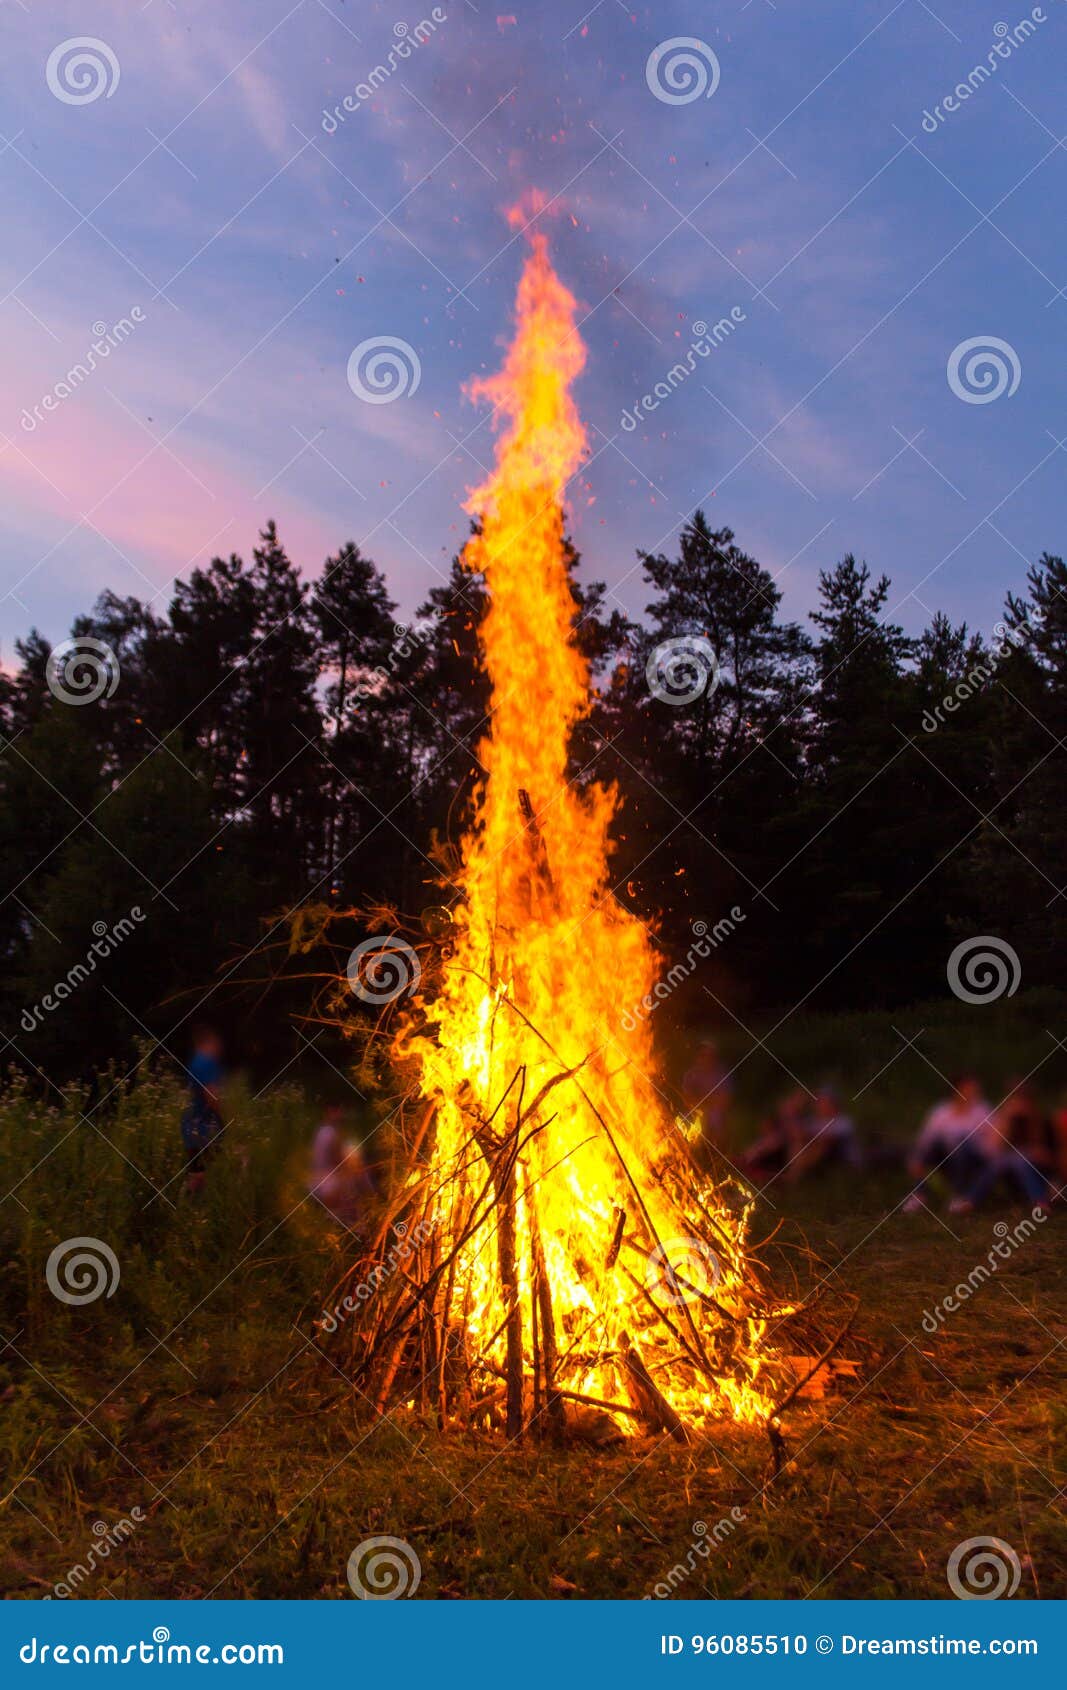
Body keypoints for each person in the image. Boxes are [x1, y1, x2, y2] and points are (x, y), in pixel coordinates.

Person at [904, 1075, 995, 1214]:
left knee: (963, 1141)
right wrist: (917, 1158)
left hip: (972, 1157)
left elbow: (992, 1142)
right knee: (934, 1143)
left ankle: (958, 1195)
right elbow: (926, 1138)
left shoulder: (982, 1111)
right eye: (968, 1089)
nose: (972, 1093)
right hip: (946, 1157)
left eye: (974, 1089)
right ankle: (919, 1195)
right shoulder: (941, 1111)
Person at [967, 1080, 1053, 1210]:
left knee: (1019, 1160)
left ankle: (1040, 1201)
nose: (1020, 1104)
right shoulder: (1004, 1117)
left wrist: (1030, 1120)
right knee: (1000, 1162)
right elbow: (992, 1149)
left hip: (1034, 1168)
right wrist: (1006, 1118)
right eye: (1016, 1098)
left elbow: (1041, 1151)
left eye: (1023, 1098)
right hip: (1009, 1166)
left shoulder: (1039, 1120)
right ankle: (970, 1201)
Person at [308, 1103, 376, 1230]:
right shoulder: (328, 1132)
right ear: (329, 1111)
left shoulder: (323, 1131)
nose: (340, 1114)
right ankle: (361, 1224)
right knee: (357, 1176)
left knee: (357, 1173)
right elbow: (336, 1158)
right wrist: (352, 1162)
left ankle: (363, 1219)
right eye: (337, 1110)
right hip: (326, 1180)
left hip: (322, 1178)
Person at [181, 1025, 225, 1196]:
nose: (218, 1047)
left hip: (192, 1126)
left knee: (198, 1173)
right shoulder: (206, 1062)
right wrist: (226, 1117)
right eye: (215, 1043)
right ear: (207, 1043)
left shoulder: (196, 1062)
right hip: (205, 1128)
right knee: (205, 1173)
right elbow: (211, 1095)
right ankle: (191, 1202)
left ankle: (188, 1204)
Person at [788, 1085, 861, 1180]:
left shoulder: (843, 1121)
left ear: (833, 1104)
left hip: (843, 1162)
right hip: (821, 1161)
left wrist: (803, 1135)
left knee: (822, 1144)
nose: (818, 1105)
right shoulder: (813, 1121)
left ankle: (794, 1177)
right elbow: (794, 1132)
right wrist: (793, 1110)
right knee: (796, 1141)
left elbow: (828, 1140)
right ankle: (794, 1176)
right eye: (818, 1101)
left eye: (823, 1101)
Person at [741, 1090, 812, 1184]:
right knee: (770, 1139)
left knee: (793, 1144)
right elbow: (764, 1128)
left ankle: (790, 1180)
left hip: (785, 1152)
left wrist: (789, 1122)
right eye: (794, 1100)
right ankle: (744, 1161)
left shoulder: (802, 1121)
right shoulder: (778, 1117)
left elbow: (798, 1135)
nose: (795, 1104)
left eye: (800, 1101)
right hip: (773, 1150)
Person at [681, 1039, 732, 1153]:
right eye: (703, 1055)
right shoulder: (691, 1074)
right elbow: (686, 1097)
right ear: (697, 1057)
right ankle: (687, 1153)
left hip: (715, 1110)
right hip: (695, 1109)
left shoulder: (721, 1074)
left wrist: (706, 1102)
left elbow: (725, 1099)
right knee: (683, 1119)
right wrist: (700, 1104)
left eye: (710, 1055)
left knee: (715, 1118)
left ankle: (717, 1152)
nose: (706, 1058)